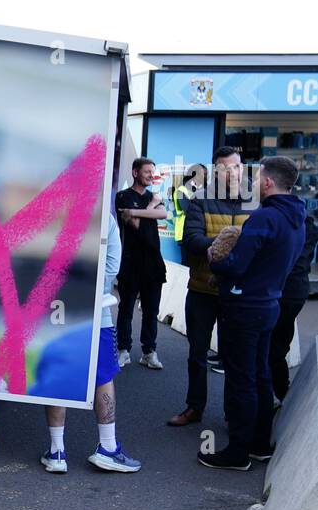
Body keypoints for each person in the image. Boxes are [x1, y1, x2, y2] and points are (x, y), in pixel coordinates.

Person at [198, 156, 306, 470]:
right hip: (270, 304)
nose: (255, 184)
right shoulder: (297, 217)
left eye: (258, 178)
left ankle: (238, 452)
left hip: (245, 307)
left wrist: (215, 261)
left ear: (269, 182)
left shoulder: (264, 218)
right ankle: (259, 443)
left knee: (241, 379)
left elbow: (237, 264)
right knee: (260, 375)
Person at [36, 208, 141, 473]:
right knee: (103, 376)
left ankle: (57, 451)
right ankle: (107, 447)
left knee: (59, 373)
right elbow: (112, 265)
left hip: (57, 307)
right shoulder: (104, 216)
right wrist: (91, 291)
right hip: (96, 309)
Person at [168, 146, 250, 427]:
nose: (233, 173)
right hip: (202, 290)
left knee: (234, 357)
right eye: (226, 168)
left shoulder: (253, 202)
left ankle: (232, 414)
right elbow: (191, 240)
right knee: (197, 354)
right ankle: (194, 407)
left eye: (237, 166)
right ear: (216, 171)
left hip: (236, 293)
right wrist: (222, 245)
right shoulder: (201, 200)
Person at [114, 157, 167, 370]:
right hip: (130, 262)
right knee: (126, 308)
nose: (151, 176)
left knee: (151, 311)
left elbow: (163, 213)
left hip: (153, 263)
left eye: (152, 172)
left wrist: (142, 208)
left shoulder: (153, 197)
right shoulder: (122, 196)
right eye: (147, 172)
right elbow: (134, 224)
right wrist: (151, 207)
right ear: (135, 172)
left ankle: (149, 352)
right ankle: (123, 350)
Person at [269, 210, 318, 401]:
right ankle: (283, 396)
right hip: (295, 291)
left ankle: (279, 396)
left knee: (271, 348)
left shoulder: (277, 221)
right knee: (278, 346)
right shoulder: (305, 224)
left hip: (282, 291)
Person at [170, 163, 207, 243]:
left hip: (202, 233)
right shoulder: (181, 190)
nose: (205, 176)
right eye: (202, 174)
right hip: (186, 233)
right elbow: (189, 210)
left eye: (206, 174)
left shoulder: (204, 191)